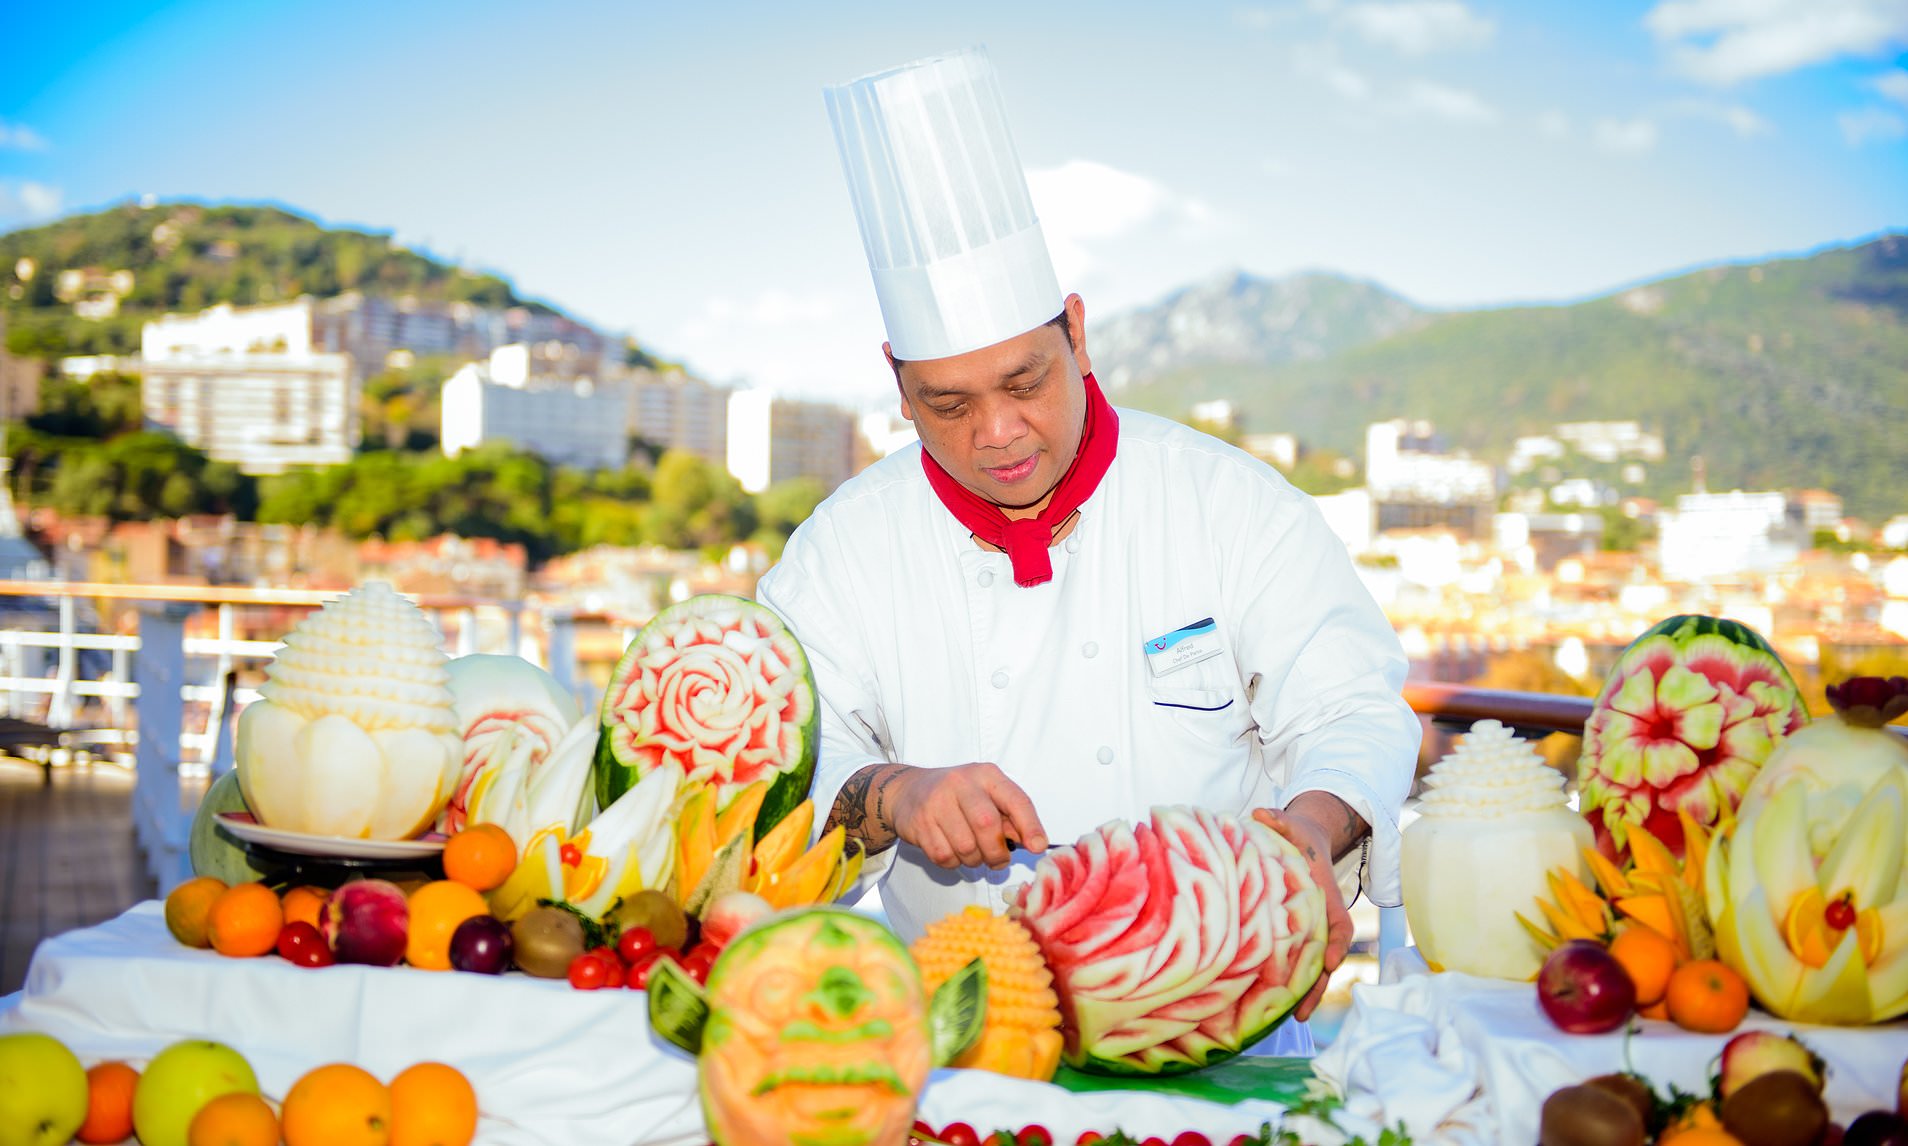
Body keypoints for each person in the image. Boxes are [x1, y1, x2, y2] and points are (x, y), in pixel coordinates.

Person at [756, 47, 1420, 1043]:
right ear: (897, 382)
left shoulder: (1225, 501)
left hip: (1215, 1015)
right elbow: (784, 760)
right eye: (947, 402)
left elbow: (1350, 709)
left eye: (1025, 383)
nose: (997, 433)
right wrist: (895, 793)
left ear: (1076, 332)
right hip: (960, 1033)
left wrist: (1312, 831)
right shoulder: (845, 548)